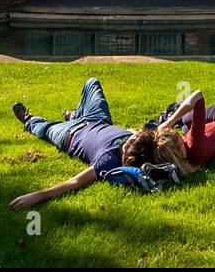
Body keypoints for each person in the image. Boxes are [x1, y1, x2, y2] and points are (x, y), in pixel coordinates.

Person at [9, 77, 134, 209]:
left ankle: (29, 119)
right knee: (91, 82)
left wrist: (39, 195)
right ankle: (75, 116)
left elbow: (74, 182)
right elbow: (133, 130)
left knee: (44, 128)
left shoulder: (109, 158)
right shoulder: (141, 139)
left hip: (70, 133)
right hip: (98, 118)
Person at [120, 89, 215, 175]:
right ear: (178, 145)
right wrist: (170, 121)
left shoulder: (188, 161)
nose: (178, 134)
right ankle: (174, 112)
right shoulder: (194, 143)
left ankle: (181, 118)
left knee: (185, 128)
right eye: (176, 136)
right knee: (186, 119)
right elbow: (198, 96)